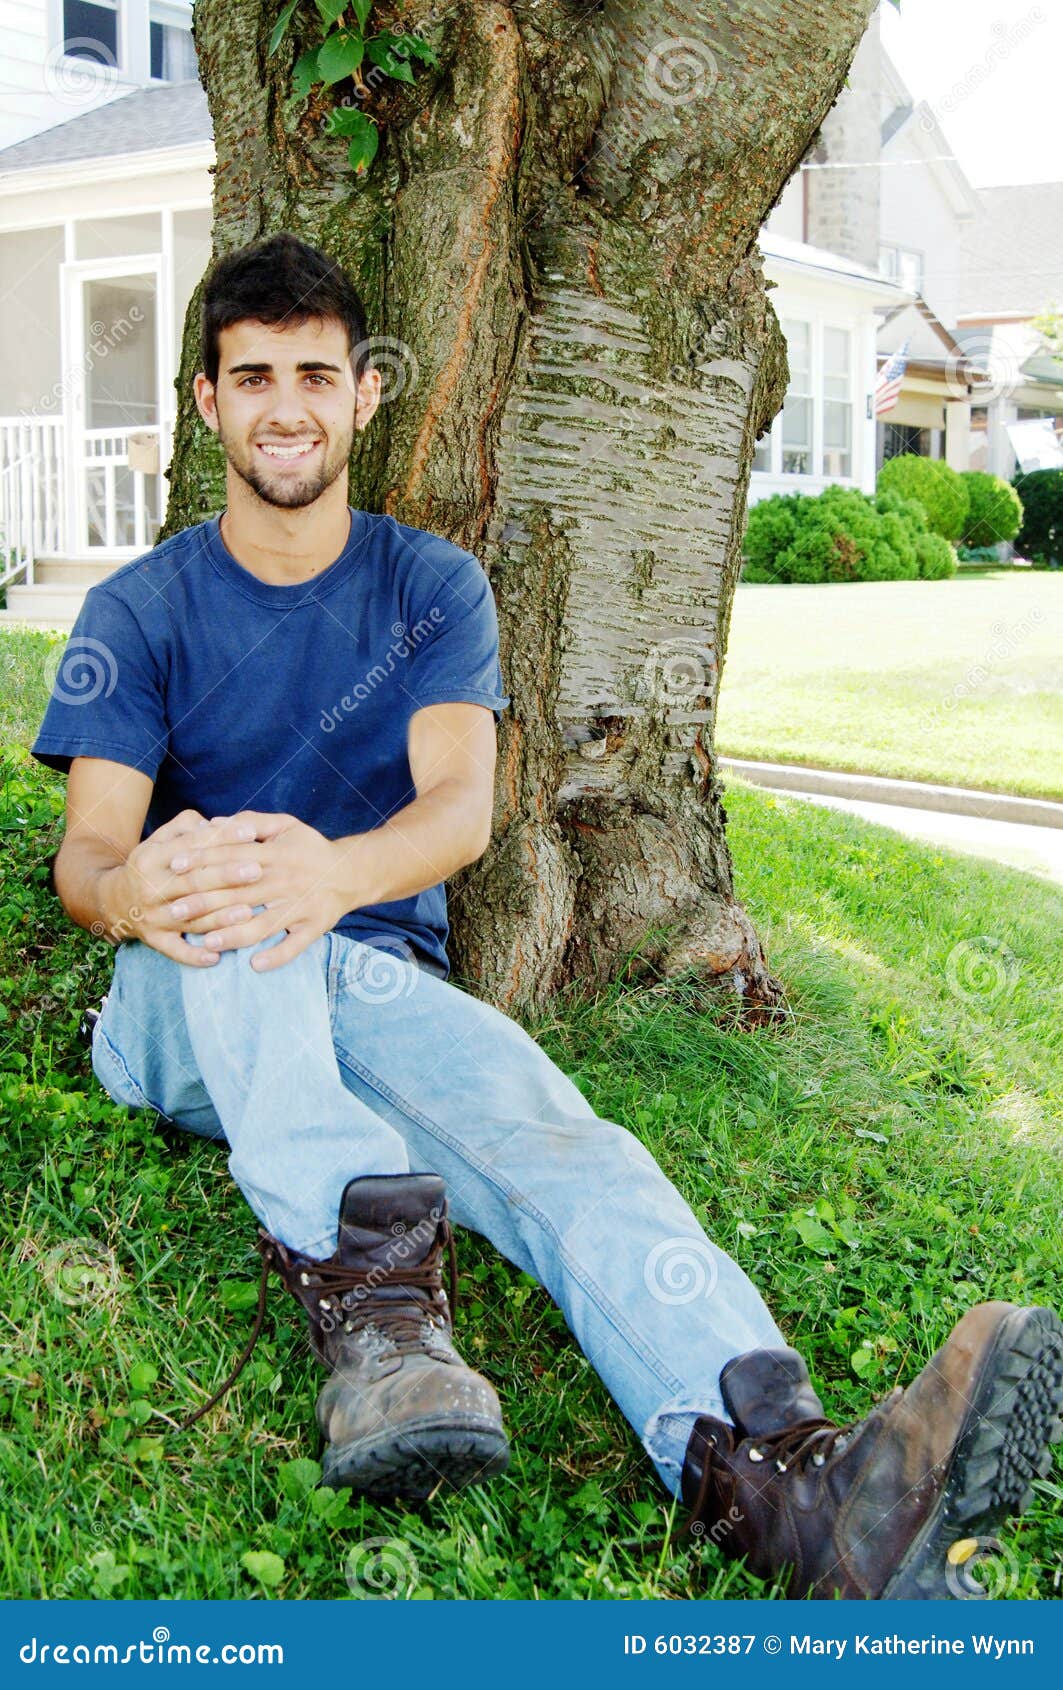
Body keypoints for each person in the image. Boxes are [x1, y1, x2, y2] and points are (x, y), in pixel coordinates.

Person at [33, 233, 1062, 1602]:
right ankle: (380, 1324)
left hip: (371, 993)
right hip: (181, 1006)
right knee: (228, 865)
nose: (288, 404)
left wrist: (330, 874)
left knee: (564, 1142)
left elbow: (457, 809)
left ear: (363, 396)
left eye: (317, 375)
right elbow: (90, 856)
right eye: (255, 375)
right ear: (210, 404)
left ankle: (794, 1482)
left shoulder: (429, 589)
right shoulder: (141, 606)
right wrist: (141, 888)